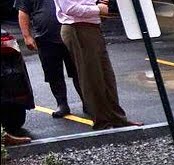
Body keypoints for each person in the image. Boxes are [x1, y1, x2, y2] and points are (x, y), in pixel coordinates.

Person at [53, 0, 134, 129]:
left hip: (91, 27)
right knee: (92, 77)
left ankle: (117, 118)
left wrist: (98, 4)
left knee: (107, 76)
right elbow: (70, 8)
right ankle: (102, 122)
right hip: (77, 29)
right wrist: (98, 9)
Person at [18, 0, 81, 118]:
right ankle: (62, 104)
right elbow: (23, 11)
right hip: (45, 38)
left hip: (72, 35)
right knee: (53, 74)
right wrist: (27, 36)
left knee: (79, 71)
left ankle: (87, 102)